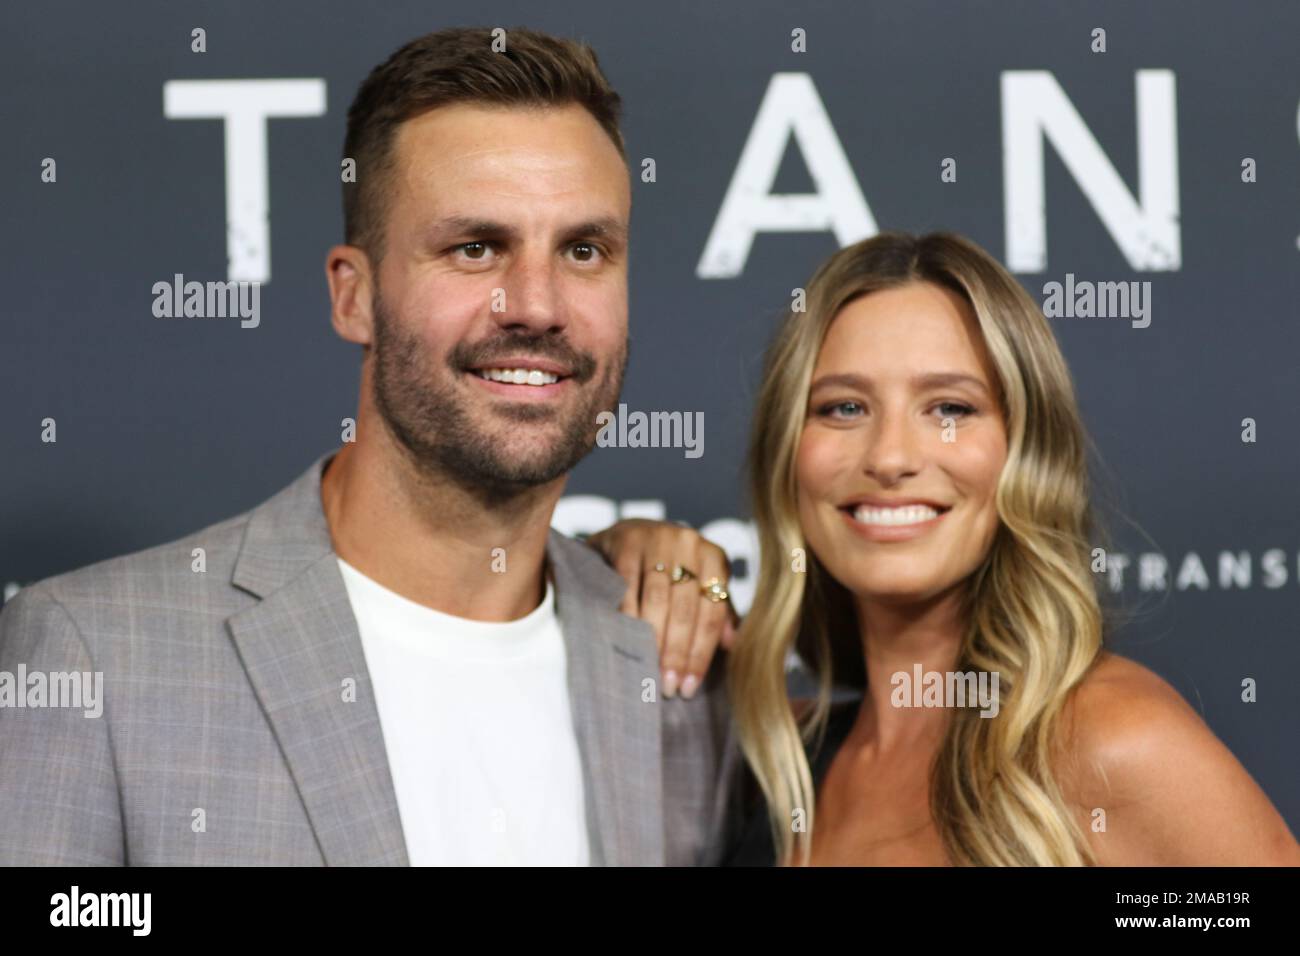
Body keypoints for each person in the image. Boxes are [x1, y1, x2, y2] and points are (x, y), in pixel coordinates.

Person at [0, 26, 732, 867]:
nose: (536, 304)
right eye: (474, 247)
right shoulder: (95, 657)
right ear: (354, 297)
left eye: (583, 249)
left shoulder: (679, 672)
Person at [595, 231, 1300, 866]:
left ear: (1024, 451)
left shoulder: (1106, 740)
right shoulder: (780, 763)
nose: (892, 456)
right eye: (844, 407)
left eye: (950, 409)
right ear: (788, 455)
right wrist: (613, 552)